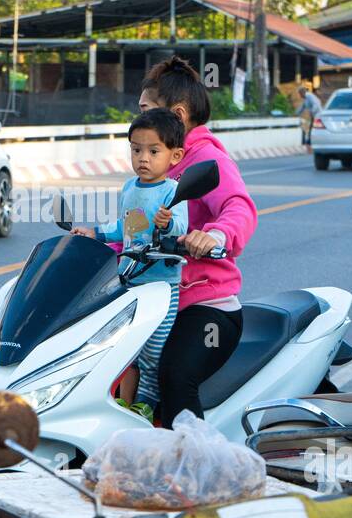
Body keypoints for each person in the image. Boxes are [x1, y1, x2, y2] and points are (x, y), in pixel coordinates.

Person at [138, 56, 258, 425]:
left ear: (176, 114)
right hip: (156, 299)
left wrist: (215, 234)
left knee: (174, 376)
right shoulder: (154, 164)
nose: (137, 120)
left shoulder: (206, 160)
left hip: (207, 308)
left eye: (145, 110)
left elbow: (239, 207)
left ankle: (194, 469)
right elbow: (135, 227)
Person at [70, 109, 188, 420]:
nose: (143, 158)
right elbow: (125, 228)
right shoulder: (129, 188)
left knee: (154, 349)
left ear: (175, 156)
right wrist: (94, 232)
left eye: (153, 151)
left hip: (163, 286)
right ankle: (123, 403)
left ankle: (148, 403)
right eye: (136, 150)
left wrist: (168, 224)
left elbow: (182, 228)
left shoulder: (172, 191)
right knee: (128, 348)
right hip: (130, 282)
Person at [297, 84, 322, 152]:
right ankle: (309, 145)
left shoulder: (309, 96)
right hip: (313, 116)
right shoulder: (305, 98)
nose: (299, 95)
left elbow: (316, 105)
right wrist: (296, 113)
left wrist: (312, 112)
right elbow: (302, 107)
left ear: (302, 92)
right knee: (311, 130)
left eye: (299, 93)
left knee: (313, 130)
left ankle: (310, 145)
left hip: (317, 115)